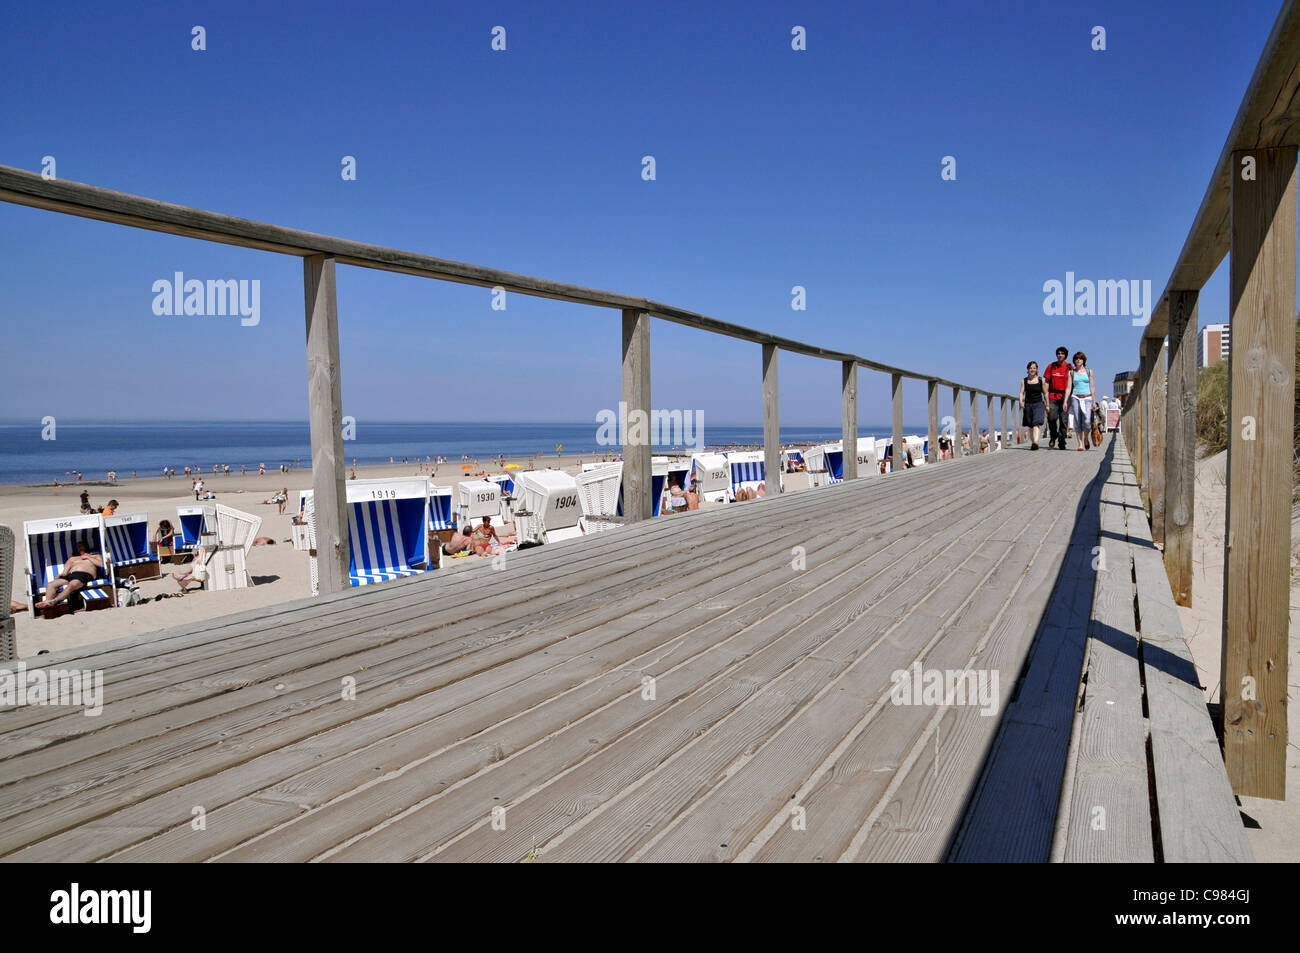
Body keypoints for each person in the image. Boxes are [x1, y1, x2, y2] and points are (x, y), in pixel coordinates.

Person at [34, 540, 103, 610]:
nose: (79, 547)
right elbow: (65, 572)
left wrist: (88, 557)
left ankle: (54, 601)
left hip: (84, 574)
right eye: (78, 546)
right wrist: (61, 575)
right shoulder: (72, 558)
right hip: (70, 575)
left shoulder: (95, 556)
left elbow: (100, 564)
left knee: (72, 585)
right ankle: (47, 602)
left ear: (86, 546)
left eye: (81, 545)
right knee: (50, 584)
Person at [1067, 351, 1096, 451]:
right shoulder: (1071, 373)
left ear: (1084, 360)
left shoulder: (1089, 372)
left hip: (1087, 398)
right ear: (1074, 361)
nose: (1078, 360)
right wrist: (1065, 401)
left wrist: (1094, 401)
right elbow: (1068, 388)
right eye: (1076, 359)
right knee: (1077, 420)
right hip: (1075, 397)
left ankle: (1086, 438)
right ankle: (1080, 444)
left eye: (1080, 358)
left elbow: (1092, 387)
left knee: (1087, 421)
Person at [1044, 347, 1072, 450]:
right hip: (1052, 395)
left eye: (1062, 353)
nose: (1060, 355)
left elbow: (1073, 382)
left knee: (1063, 420)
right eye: (1058, 353)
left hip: (1065, 396)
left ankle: (1061, 440)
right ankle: (1053, 435)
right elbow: (1046, 382)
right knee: (1051, 417)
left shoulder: (1069, 367)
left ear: (1065, 355)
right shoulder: (1051, 367)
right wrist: (1045, 396)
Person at [1019, 360, 1048, 450]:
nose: (1032, 369)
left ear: (1037, 369)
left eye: (1034, 368)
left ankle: (1036, 442)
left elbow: (1045, 393)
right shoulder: (1024, 381)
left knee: (1036, 423)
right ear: (1028, 369)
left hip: (1038, 403)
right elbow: (1021, 392)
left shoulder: (1041, 380)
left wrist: (1047, 404)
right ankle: (1033, 443)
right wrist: (1021, 401)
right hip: (1028, 404)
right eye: (1031, 368)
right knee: (1030, 425)